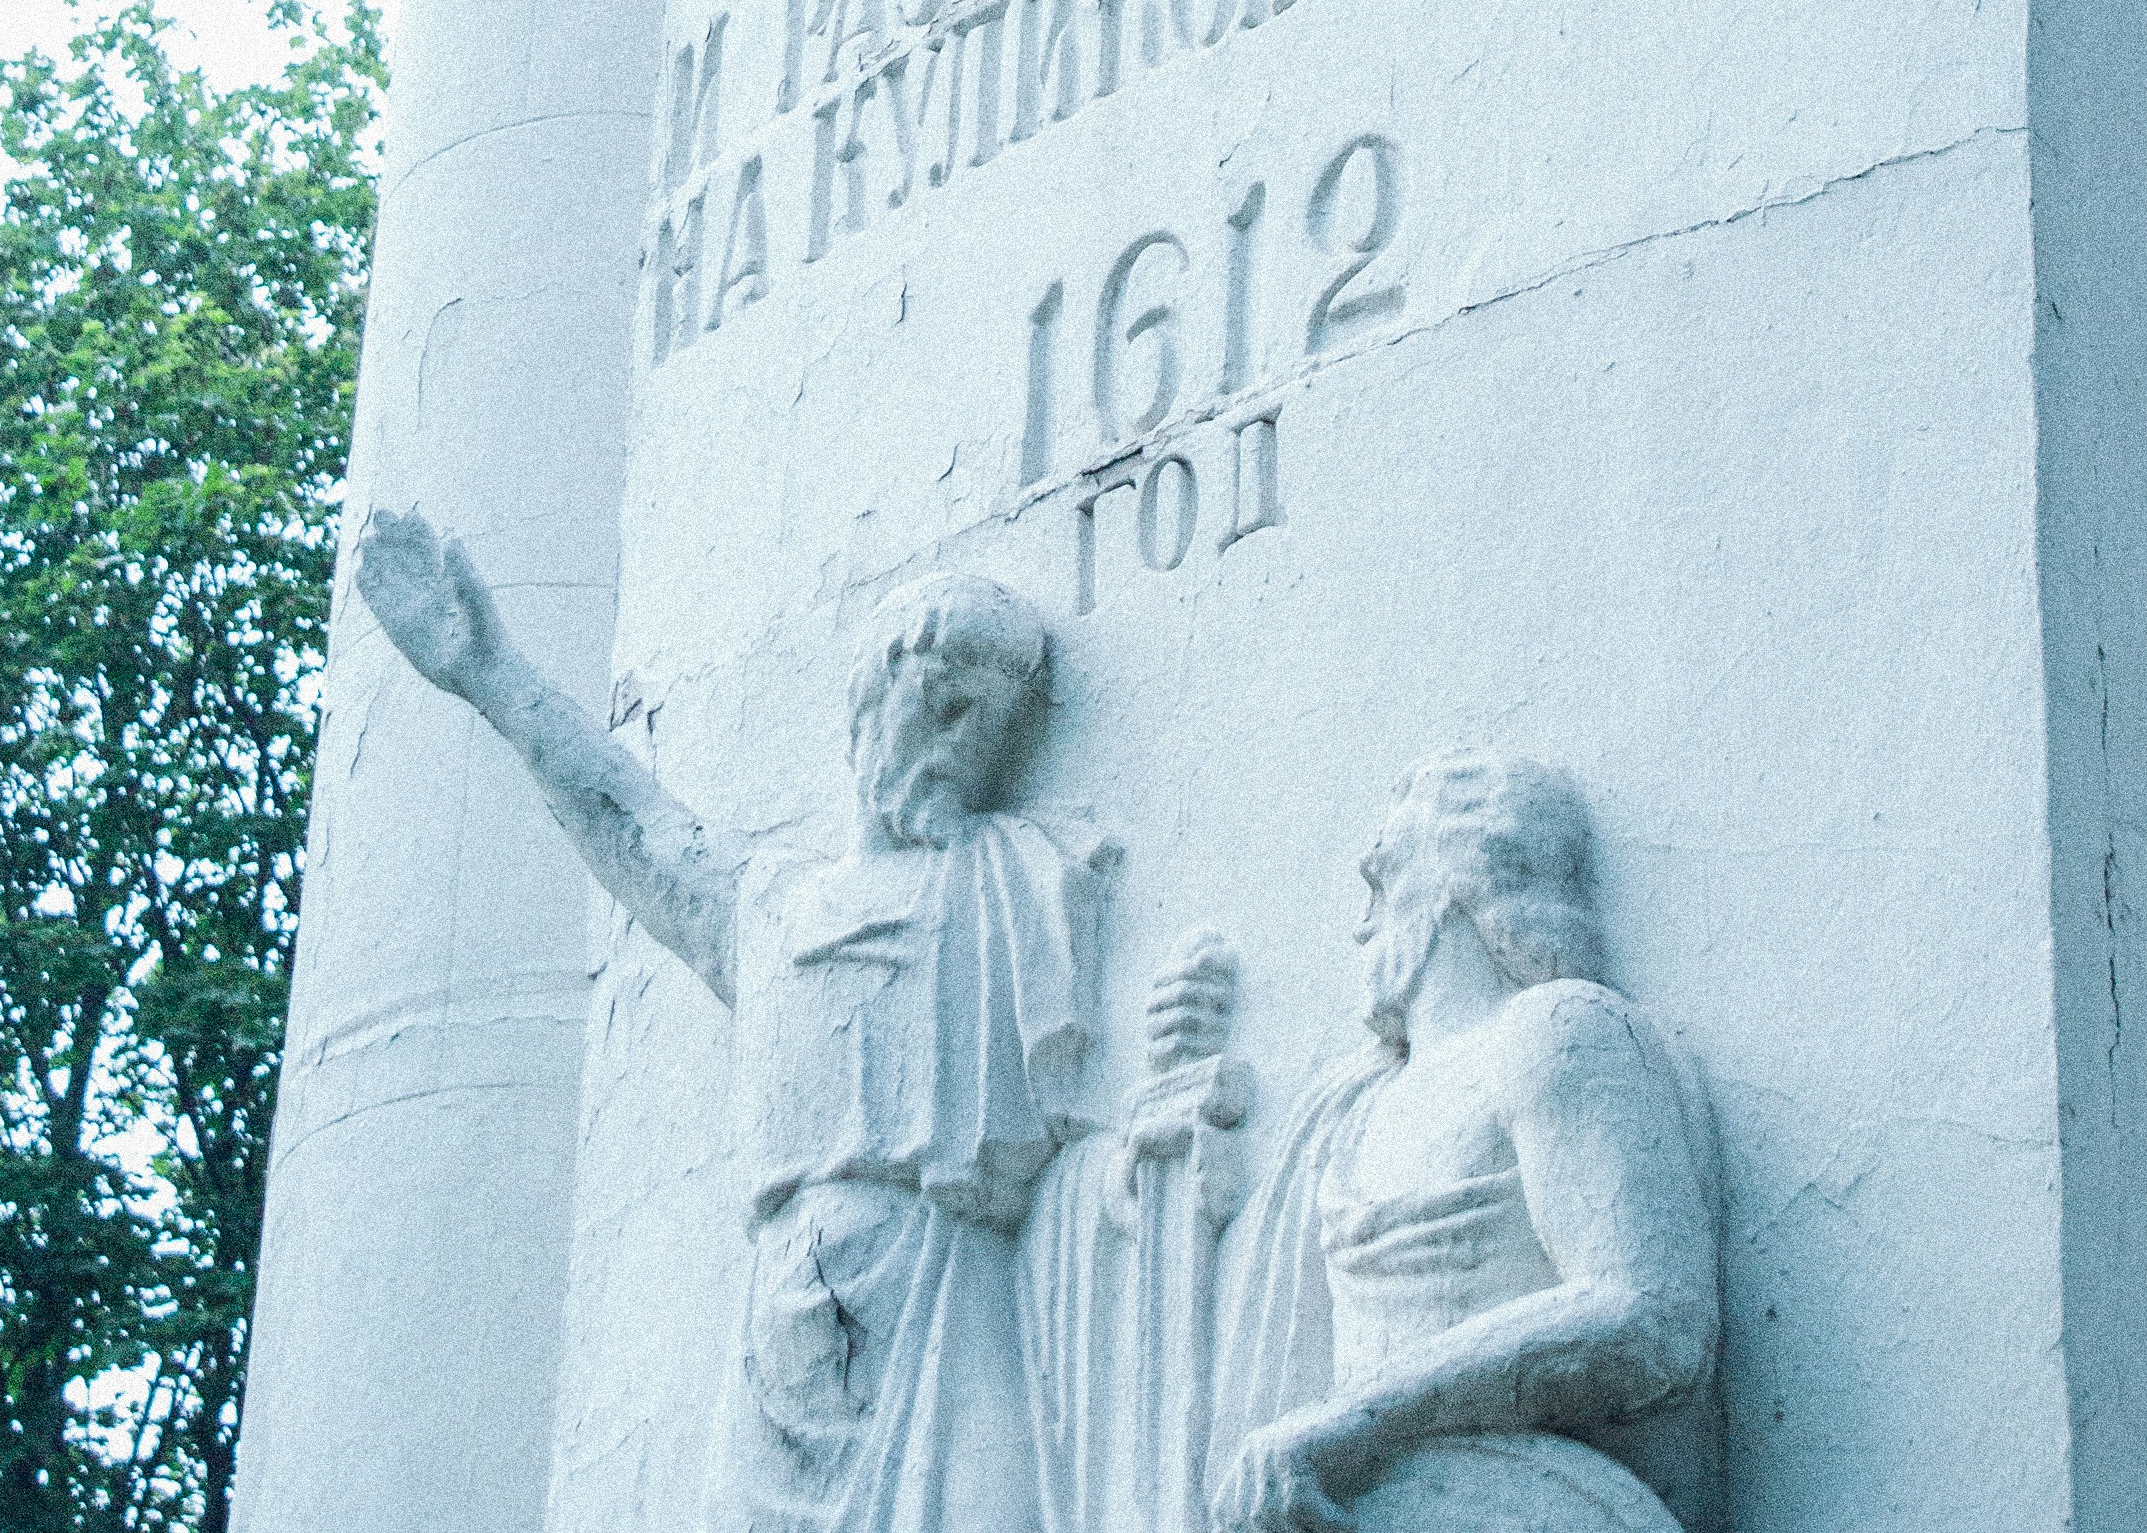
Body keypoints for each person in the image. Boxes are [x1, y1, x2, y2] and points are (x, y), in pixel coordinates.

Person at [356, 513, 1213, 1533]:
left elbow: (1076, 1139)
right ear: (864, 708)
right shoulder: (770, 907)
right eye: (931, 702)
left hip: (945, 1297)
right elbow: (624, 816)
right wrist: (491, 677)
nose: (952, 743)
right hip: (790, 1335)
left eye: (981, 720)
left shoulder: (1019, 880)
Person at [1209, 758, 1721, 1533]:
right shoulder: (1351, 1108)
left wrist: (1355, 1419)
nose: (1361, 925)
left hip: (1522, 1507)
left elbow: (1649, 1317)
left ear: (1454, 874)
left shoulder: (1554, 1029)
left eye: (1378, 882)